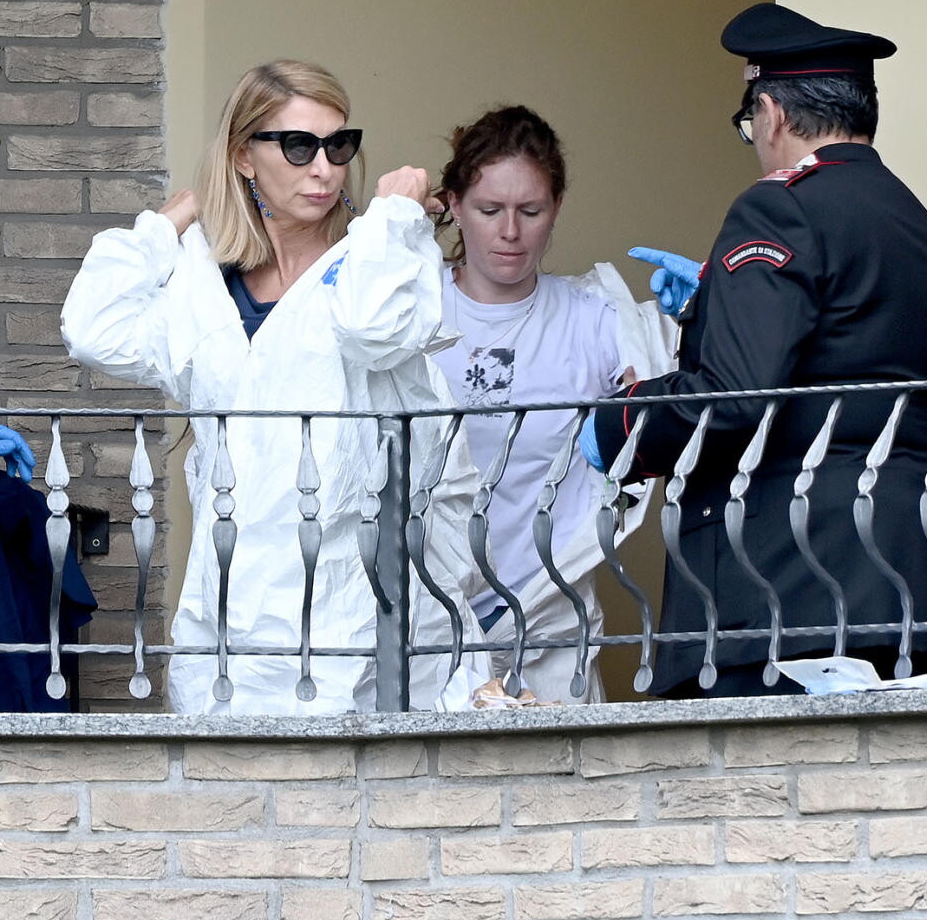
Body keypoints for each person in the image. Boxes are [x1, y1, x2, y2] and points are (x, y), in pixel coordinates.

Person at [587, 4, 927, 695]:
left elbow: (734, 398)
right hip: (920, 597)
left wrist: (615, 421)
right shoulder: (926, 235)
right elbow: (852, 347)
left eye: (750, 125)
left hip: (784, 599)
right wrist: (715, 301)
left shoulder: (779, 207)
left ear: (771, 114)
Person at [60, 59, 447, 714]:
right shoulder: (201, 279)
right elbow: (93, 328)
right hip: (225, 607)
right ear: (244, 155)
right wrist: (172, 218)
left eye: (338, 145)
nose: (324, 168)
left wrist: (395, 215)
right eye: (299, 147)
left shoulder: (375, 258)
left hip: (343, 607)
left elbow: (375, 327)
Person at [429, 105, 676, 704]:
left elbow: (675, 404)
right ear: (455, 205)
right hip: (432, 618)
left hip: (550, 618)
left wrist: (698, 319)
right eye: (489, 211)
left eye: (530, 211)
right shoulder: (412, 313)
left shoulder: (594, 319)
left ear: (557, 208)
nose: (510, 232)